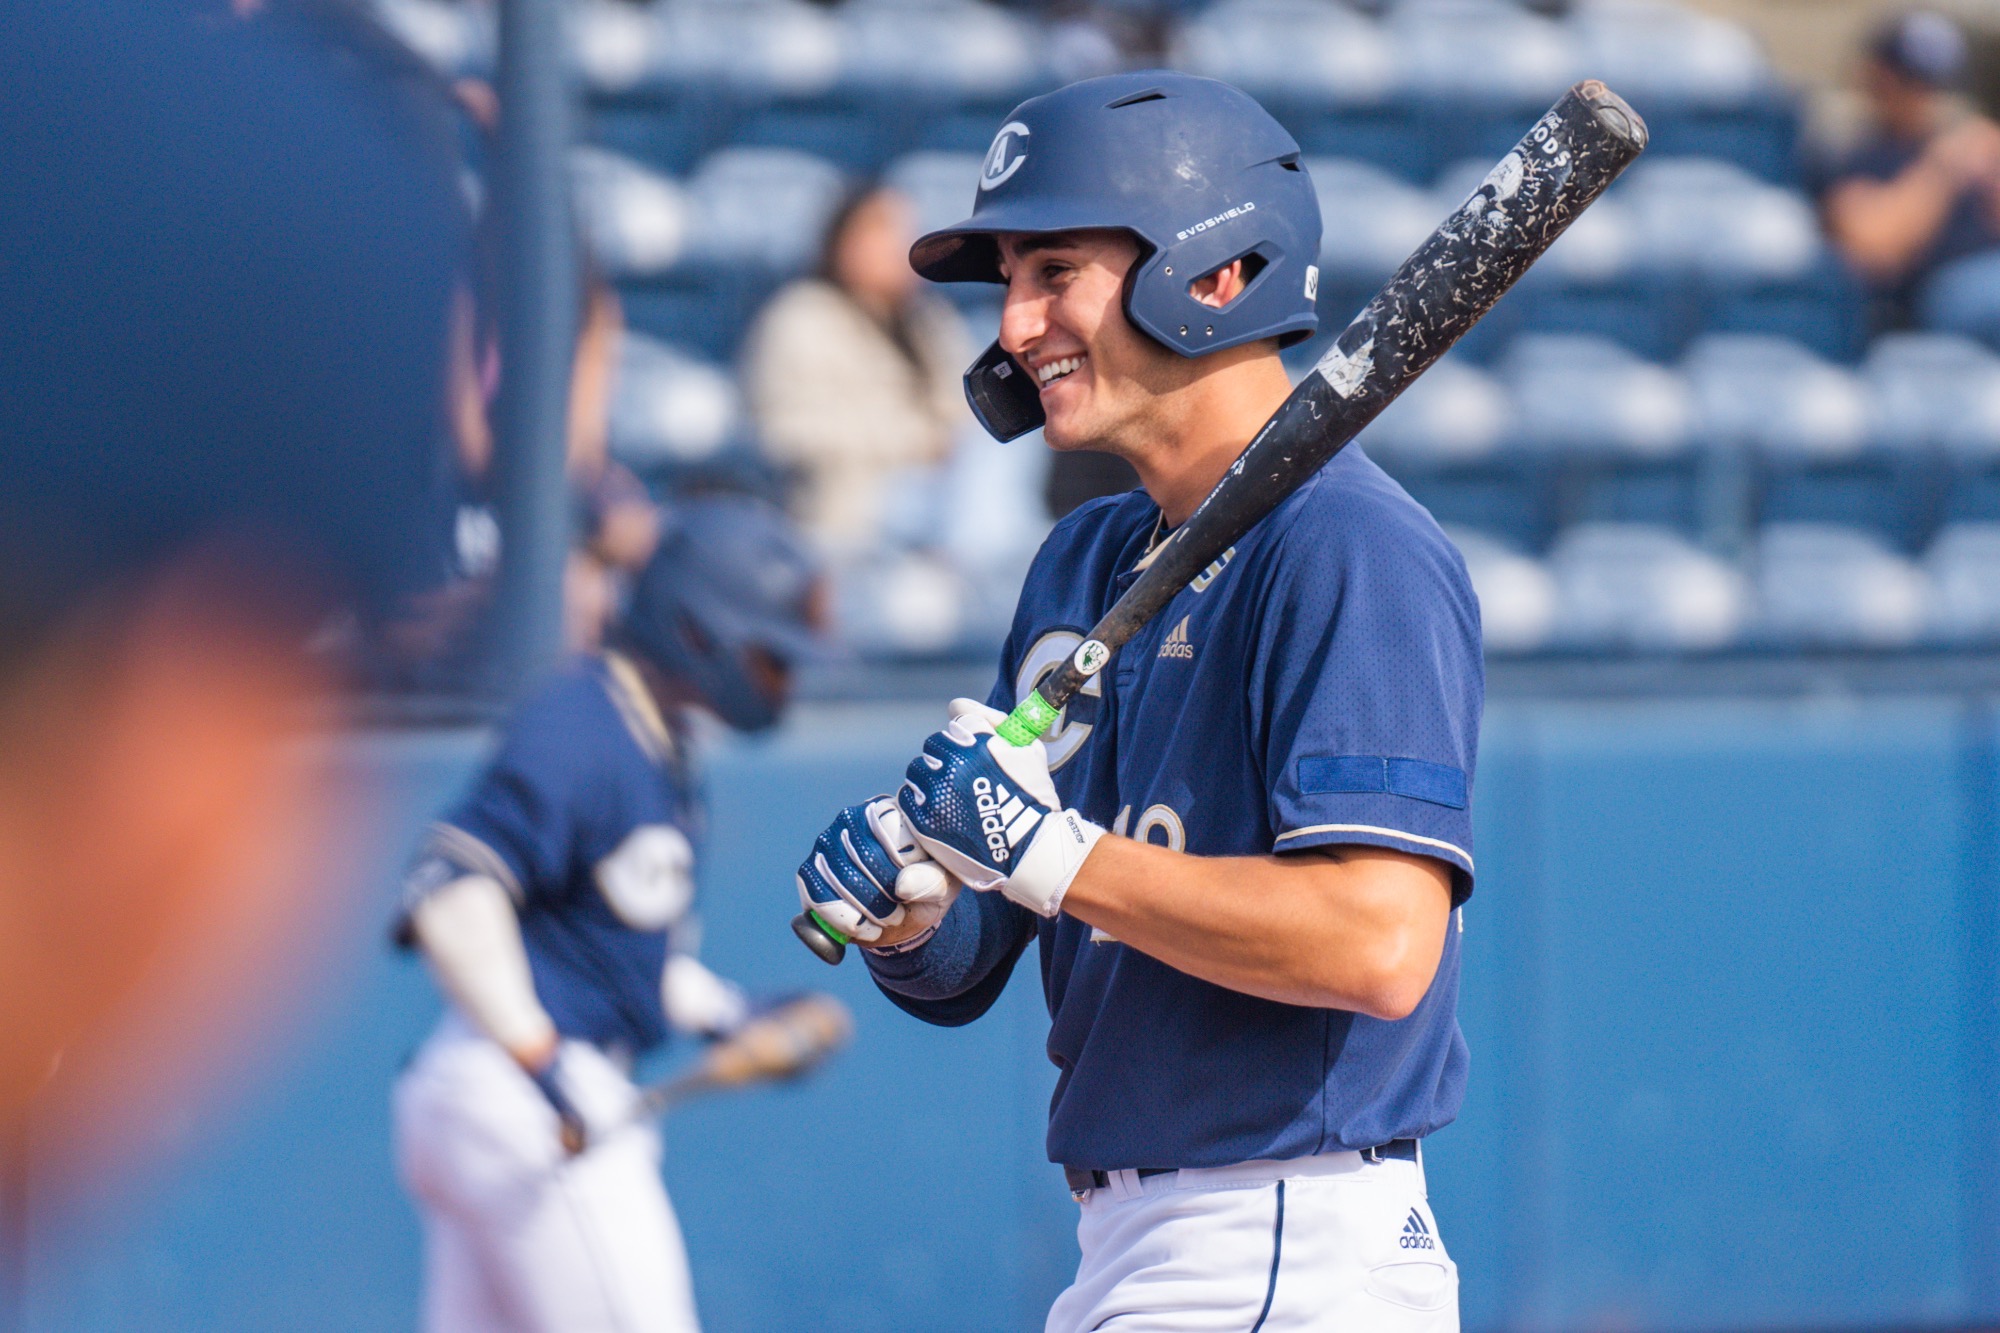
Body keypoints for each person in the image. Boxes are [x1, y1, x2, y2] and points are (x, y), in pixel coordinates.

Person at [795, 72, 1481, 1329]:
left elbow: (1379, 944)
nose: (1011, 323)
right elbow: (982, 952)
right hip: (1138, 1237)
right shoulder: (1082, 562)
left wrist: (1047, 849)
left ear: (1214, 275)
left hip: (1285, 1222)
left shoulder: (1350, 550)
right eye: (1007, 278)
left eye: (1052, 269)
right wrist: (916, 911)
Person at [392, 496, 824, 1333]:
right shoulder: (581, 723)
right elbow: (449, 888)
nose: (784, 681)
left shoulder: (644, 729)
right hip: (524, 1093)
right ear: (699, 632)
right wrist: (541, 1062)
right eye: (771, 657)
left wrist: (727, 1011)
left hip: (496, 1089)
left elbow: (614, 948)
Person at [741, 183, 974, 557]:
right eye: (882, 229)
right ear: (842, 240)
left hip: (943, 523)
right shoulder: (801, 316)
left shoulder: (930, 321)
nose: (898, 244)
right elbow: (783, 432)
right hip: (839, 529)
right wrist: (910, 440)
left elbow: (964, 414)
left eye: (906, 230)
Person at [1817, 10, 2000, 334]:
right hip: (1929, 307)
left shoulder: (1973, 139)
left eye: (1933, 83)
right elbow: (1874, 252)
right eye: (1909, 81)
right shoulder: (1854, 156)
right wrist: (1943, 168)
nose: (1923, 97)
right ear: (1876, 75)